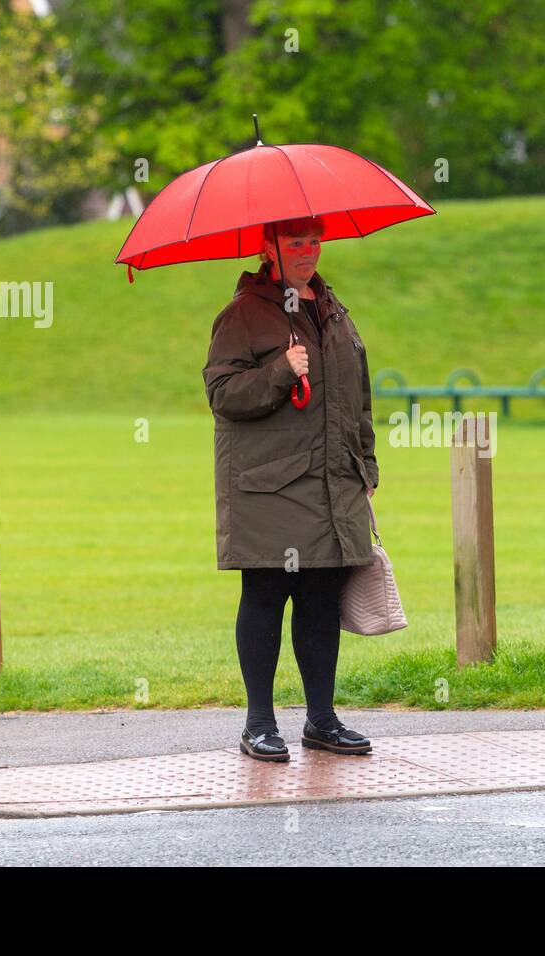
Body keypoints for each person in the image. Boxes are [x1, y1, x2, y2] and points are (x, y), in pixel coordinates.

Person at [202, 214, 380, 763]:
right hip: (269, 489)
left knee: (321, 602)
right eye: (296, 241)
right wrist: (281, 369)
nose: (308, 251)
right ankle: (258, 724)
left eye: (314, 240)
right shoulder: (242, 316)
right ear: (267, 246)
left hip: (333, 484)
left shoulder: (332, 310)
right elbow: (224, 393)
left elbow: (360, 395)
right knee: (265, 597)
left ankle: (321, 721)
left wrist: (366, 466)